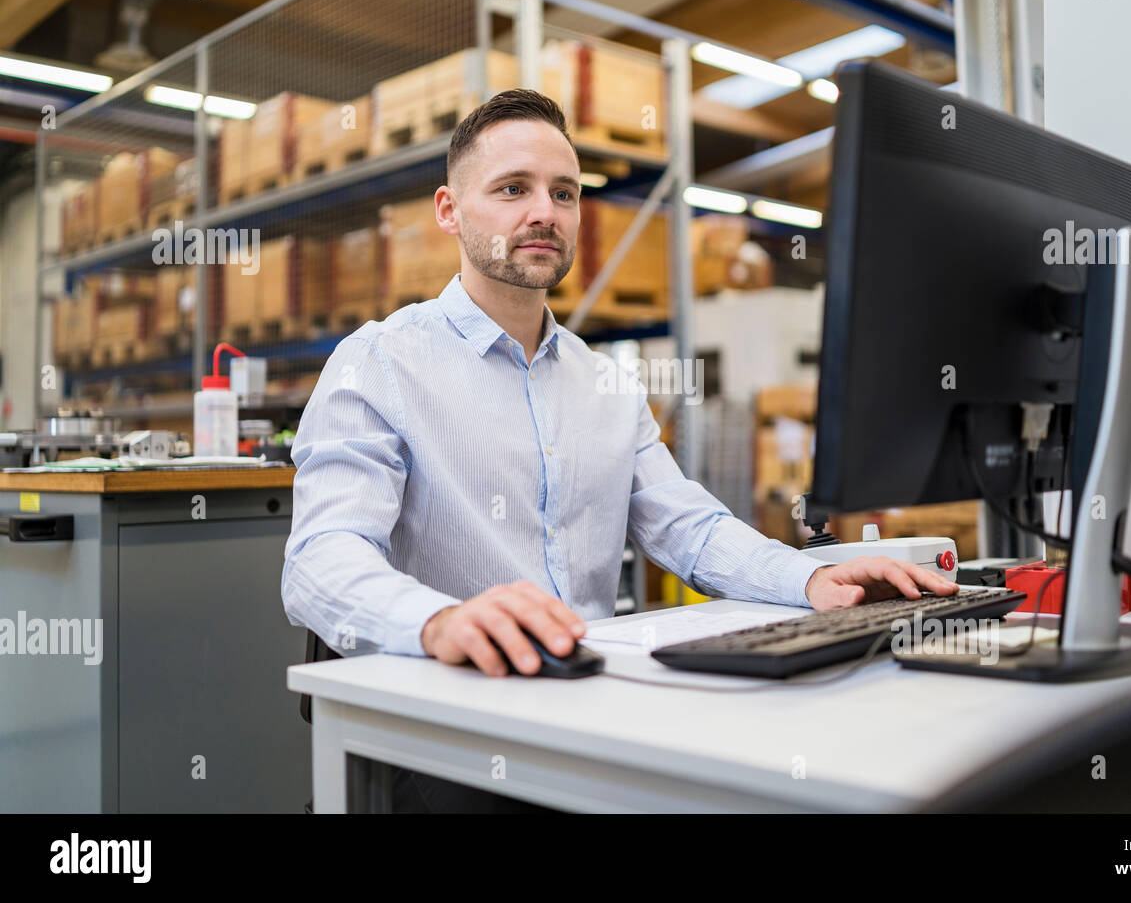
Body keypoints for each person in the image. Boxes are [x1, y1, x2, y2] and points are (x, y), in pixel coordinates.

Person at [282, 90, 955, 810]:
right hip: (450, 727)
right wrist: (436, 621)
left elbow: (685, 526)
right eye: (513, 189)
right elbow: (319, 560)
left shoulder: (605, 382)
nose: (544, 211)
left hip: (589, 706)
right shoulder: (379, 361)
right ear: (449, 210)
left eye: (564, 193)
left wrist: (815, 581)